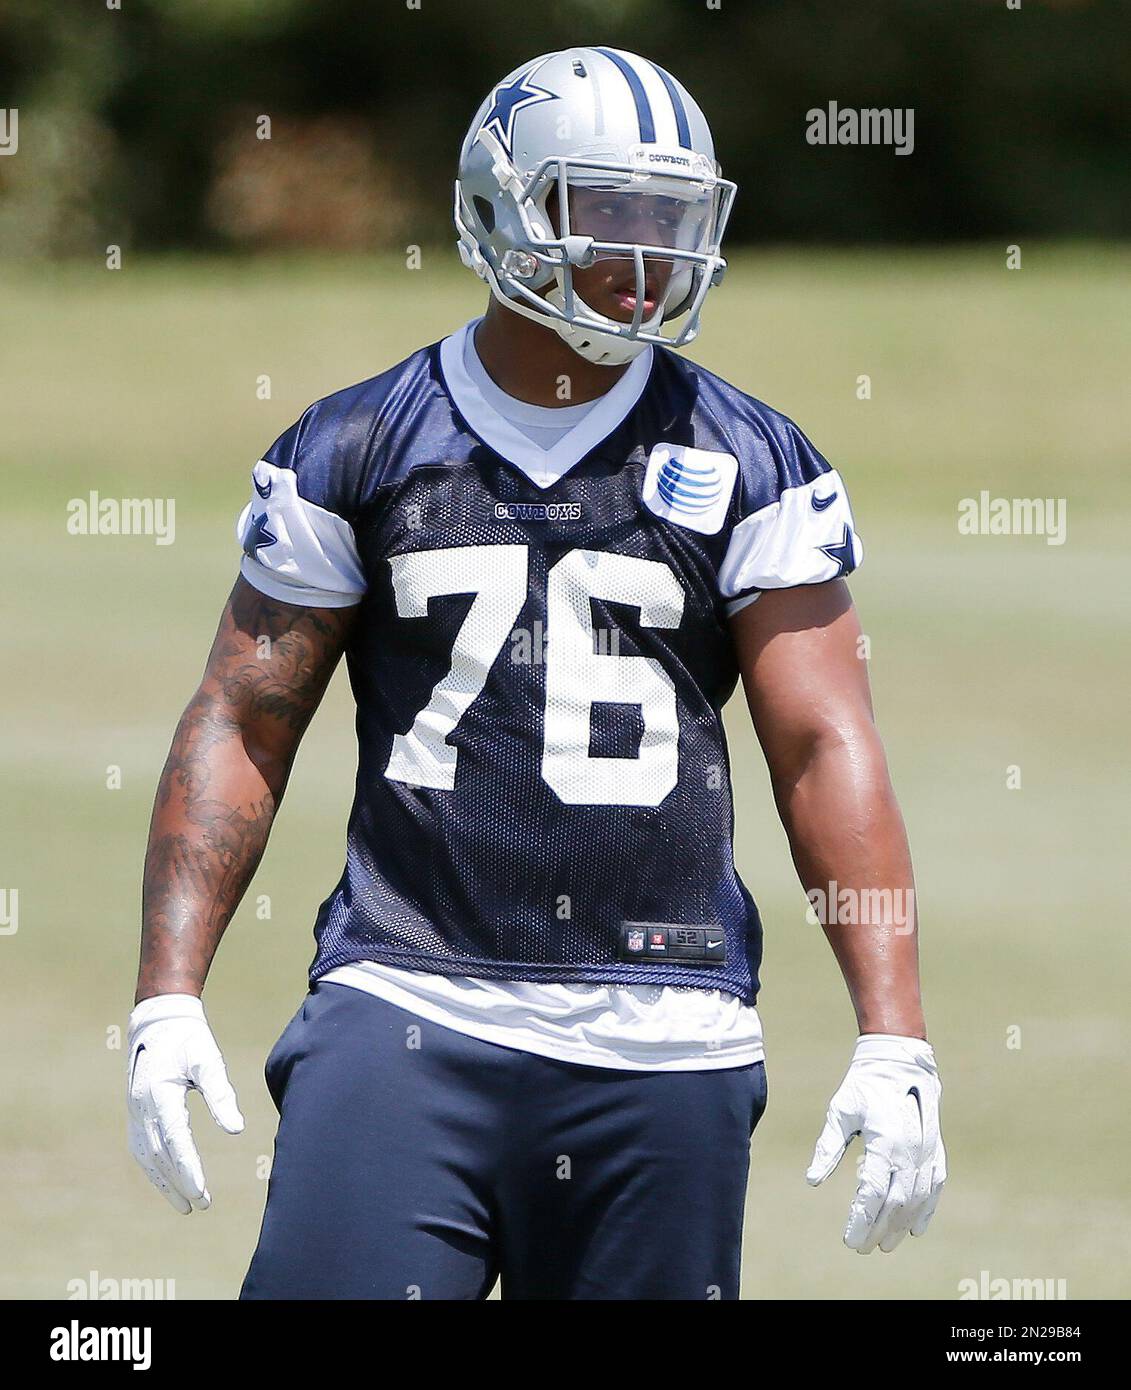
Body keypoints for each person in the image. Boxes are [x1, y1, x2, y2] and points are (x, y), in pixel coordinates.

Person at [127, 46, 945, 1300]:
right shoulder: (359, 442)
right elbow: (243, 718)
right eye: (610, 208)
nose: (648, 252)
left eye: (672, 217)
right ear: (503, 206)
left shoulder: (754, 457)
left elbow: (825, 746)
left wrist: (897, 1037)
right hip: (405, 1003)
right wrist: (166, 999)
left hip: (667, 1031)